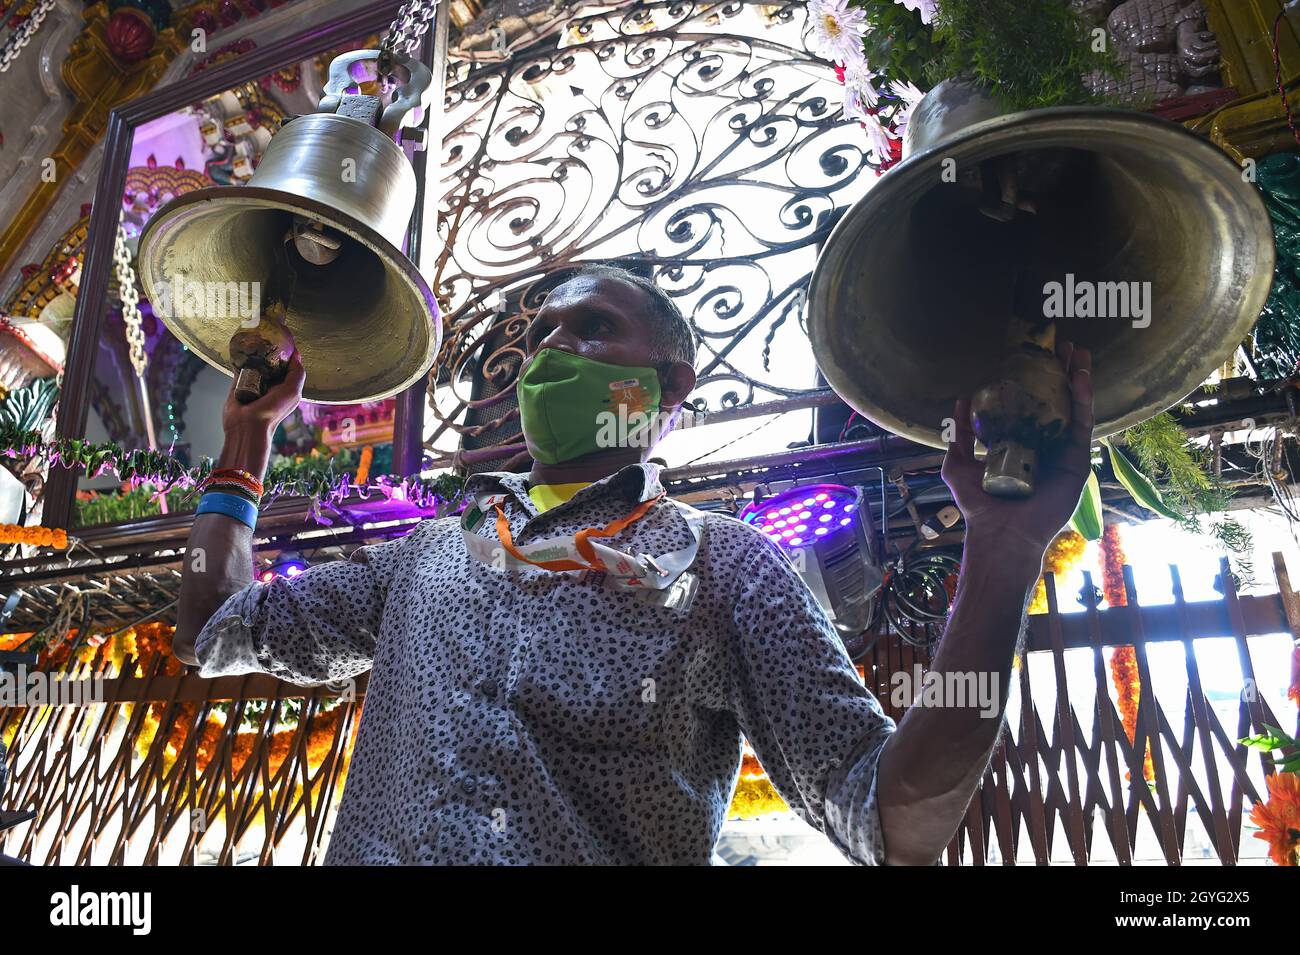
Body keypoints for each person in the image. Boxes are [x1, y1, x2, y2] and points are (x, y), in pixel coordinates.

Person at [172, 264, 1094, 865]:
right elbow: (212, 632)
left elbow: (896, 817)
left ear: (670, 386)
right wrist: (246, 446)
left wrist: (1005, 556)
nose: (549, 350)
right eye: (543, 333)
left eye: (594, 328)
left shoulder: (728, 568)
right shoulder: (424, 558)